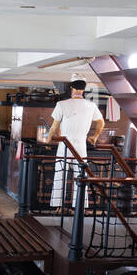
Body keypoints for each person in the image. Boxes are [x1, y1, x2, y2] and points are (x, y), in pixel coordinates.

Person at [47, 79, 105, 208]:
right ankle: (79, 206)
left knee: (60, 173)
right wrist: (94, 137)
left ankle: (58, 205)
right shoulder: (91, 105)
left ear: (71, 88)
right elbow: (101, 122)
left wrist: (48, 139)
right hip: (81, 144)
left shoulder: (61, 104)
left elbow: (54, 127)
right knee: (81, 174)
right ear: (83, 90)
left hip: (65, 142)